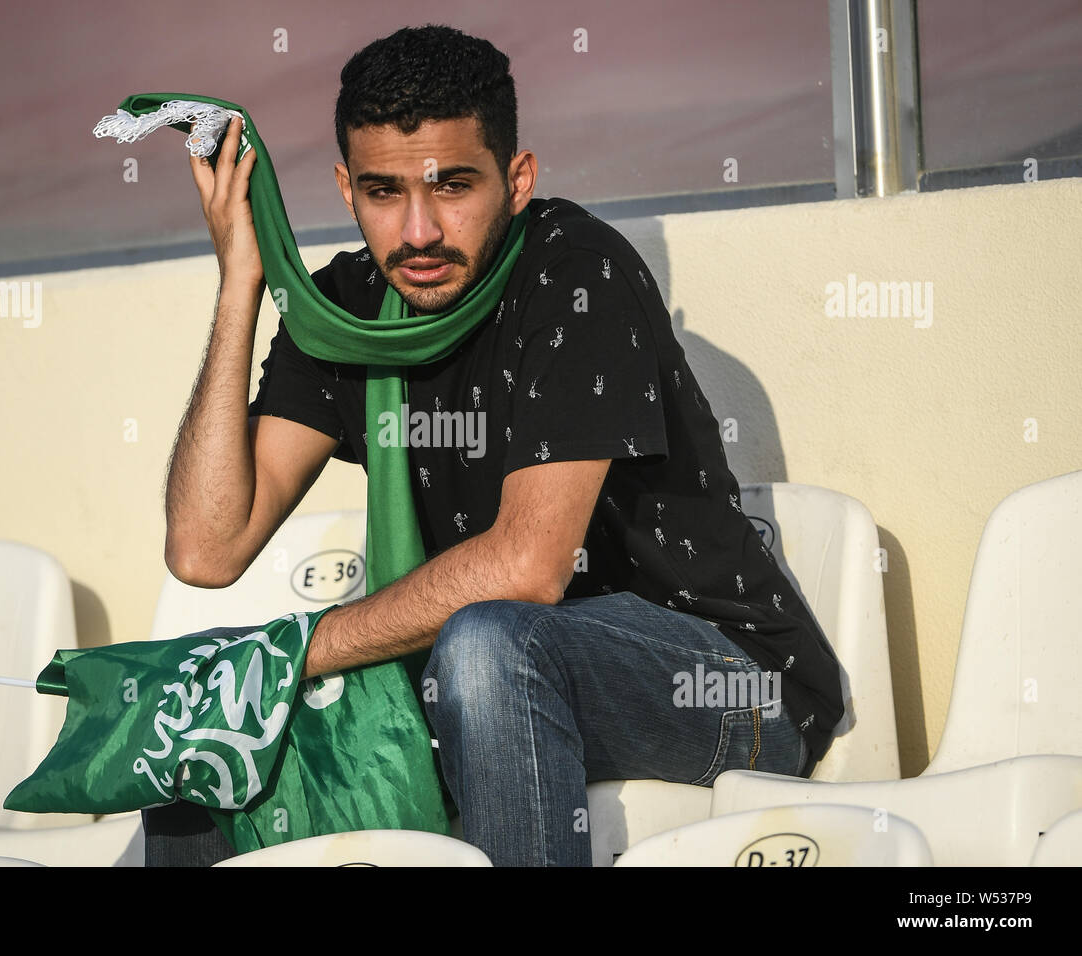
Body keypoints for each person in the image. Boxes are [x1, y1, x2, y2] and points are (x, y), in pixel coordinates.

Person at [153, 23, 846, 867]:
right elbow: (205, 546)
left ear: (517, 181)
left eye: (453, 186)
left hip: (725, 683)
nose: (418, 231)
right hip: (481, 672)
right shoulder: (344, 312)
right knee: (199, 733)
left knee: (487, 645)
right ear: (345, 189)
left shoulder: (576, 275)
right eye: (383, 191)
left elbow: (527, 568)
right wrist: (241, 284)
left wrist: (293, 653)